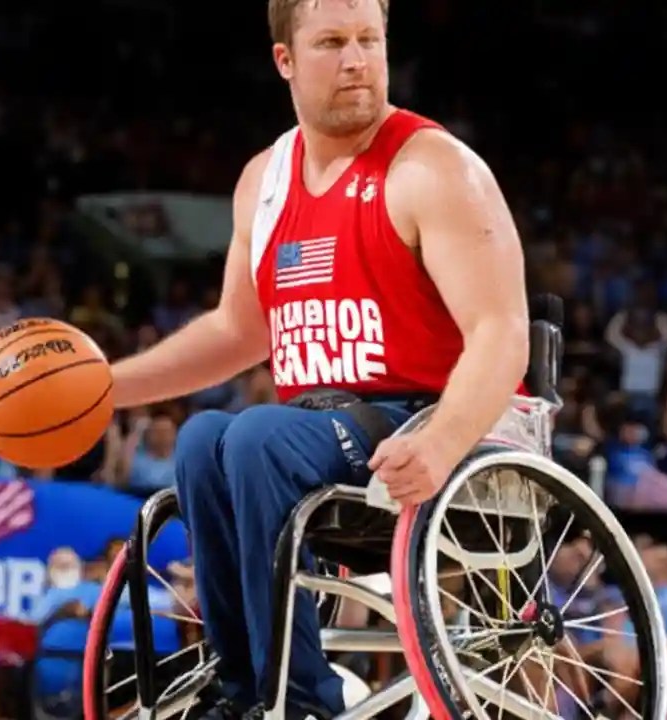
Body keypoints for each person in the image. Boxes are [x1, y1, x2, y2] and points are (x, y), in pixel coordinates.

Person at [106, 1, 530, 716]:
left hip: (426, 417)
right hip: (318, 428)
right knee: (203, 437)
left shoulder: (433, 167)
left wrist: (442, 437)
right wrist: (104, 389)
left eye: (370, 40)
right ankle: (243, 689)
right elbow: (239, 333)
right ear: (285, 61)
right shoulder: (264, 182)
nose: (357, 60)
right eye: (332, 42)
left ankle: (301, 700)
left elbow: (501, 329)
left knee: (253, 435)